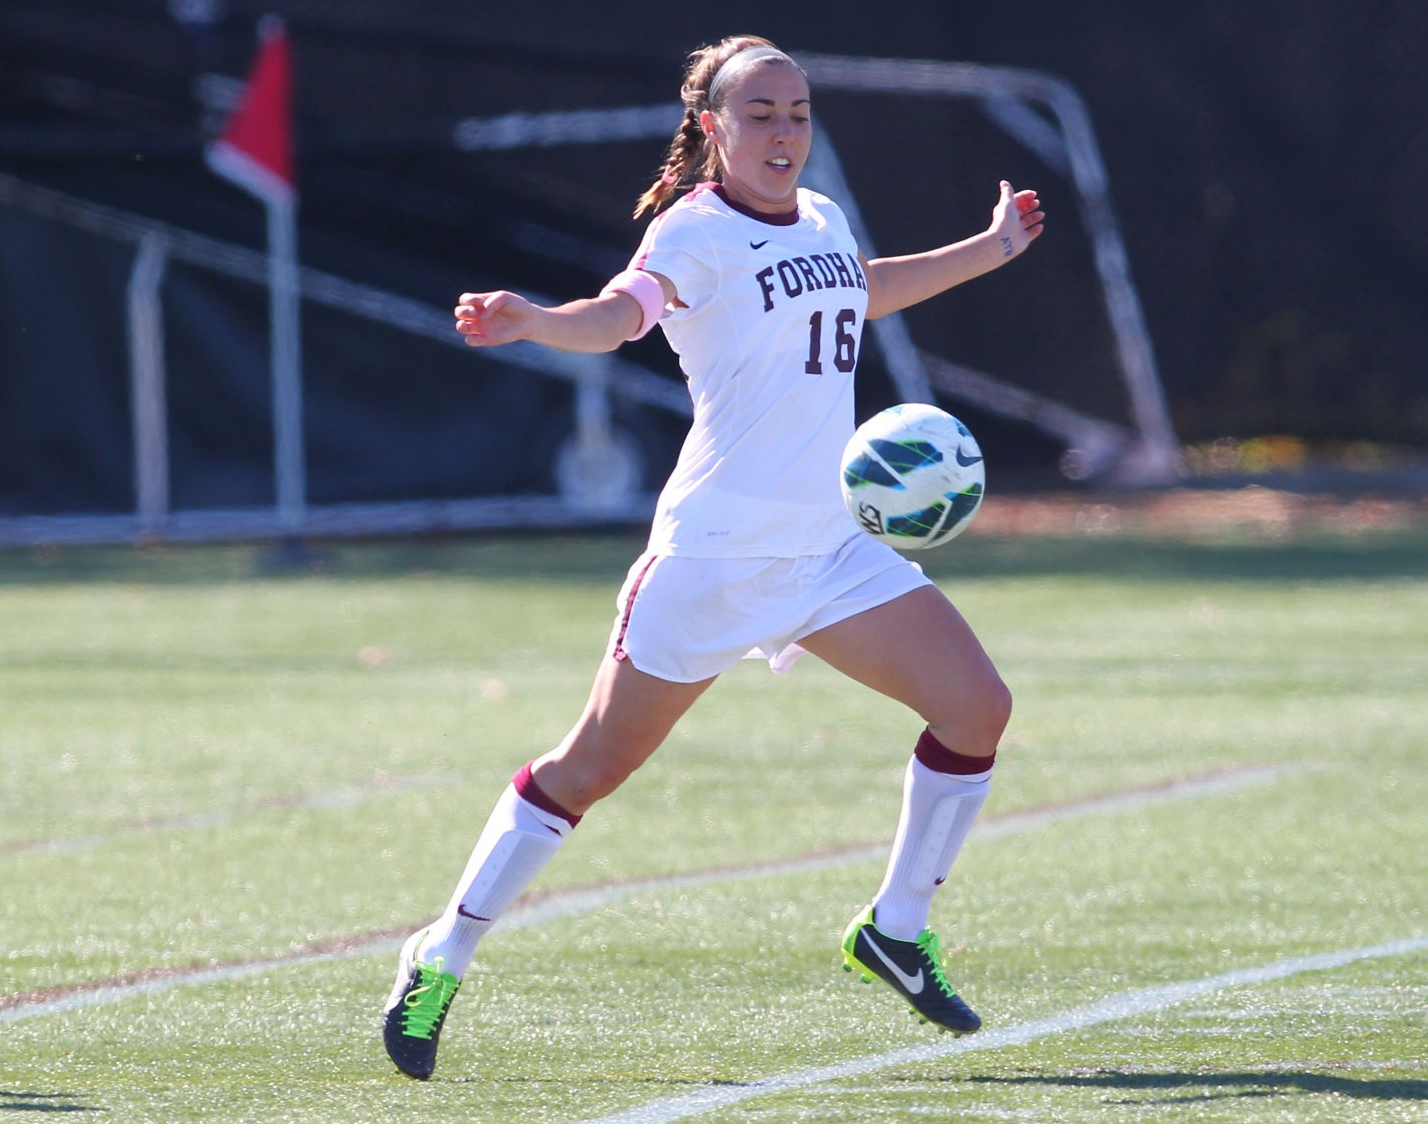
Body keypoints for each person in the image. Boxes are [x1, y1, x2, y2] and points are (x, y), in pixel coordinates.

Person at [381, 34, 1044, 1081]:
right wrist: (536, 321)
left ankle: (895, 929)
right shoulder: (689, 232)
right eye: (760, 114)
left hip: (829, 547)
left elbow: (857, 290)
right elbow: (619, 316)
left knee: (977, 709)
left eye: (798, 113)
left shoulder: (819, 215)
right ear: (710, 127)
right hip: (714, 558)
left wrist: (989, 247)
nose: (785, 133)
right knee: (589, 768)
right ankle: (441, 951)